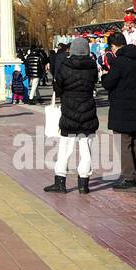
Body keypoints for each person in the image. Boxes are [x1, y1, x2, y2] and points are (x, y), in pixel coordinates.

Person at [44, 38, 100, 194]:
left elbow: (58, 86)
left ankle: (60, 182)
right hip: (88, 109)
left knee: (65, 148)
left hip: (69, 109)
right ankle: (83, 184)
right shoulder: (92, 66)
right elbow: (94, 82)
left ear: (72, 50)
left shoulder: (65, 66)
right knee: (86, 148)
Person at [101, 31, 136, 192]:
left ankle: (129, 178)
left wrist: (104, 76)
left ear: (113, 46)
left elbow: (109, 83)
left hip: (122, 109)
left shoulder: (120, 62)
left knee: (124, 143)